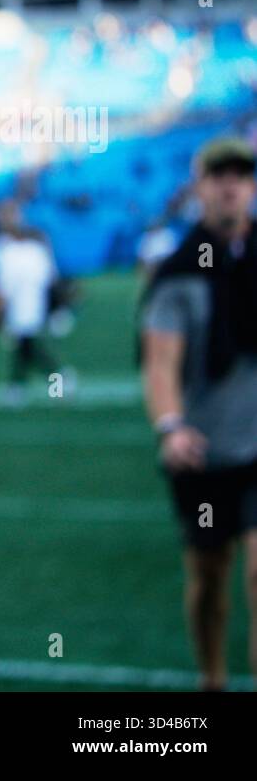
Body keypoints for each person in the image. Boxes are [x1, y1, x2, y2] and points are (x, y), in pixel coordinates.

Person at [140, 136, 257, 691]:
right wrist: (171, 426)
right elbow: (160, 363)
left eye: (241, 173)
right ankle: (212, 680)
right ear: (201, 184)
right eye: (220, 174)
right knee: (210, 580)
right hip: (205, 452)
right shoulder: (180, 270)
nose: (231, 183)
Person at [0, 200, 60, 403]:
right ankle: (20, 386)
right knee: (26, 345)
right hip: (21, 300)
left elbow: (45, 277)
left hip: (28, 299)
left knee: (28, 345)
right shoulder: (4, 246)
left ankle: (54, 379)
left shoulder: (26, 247)